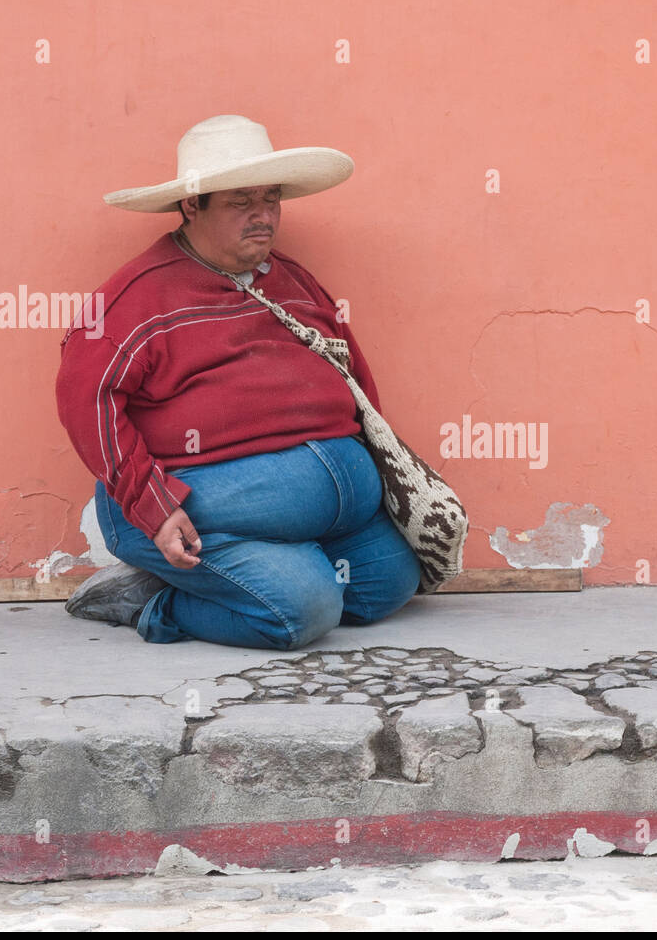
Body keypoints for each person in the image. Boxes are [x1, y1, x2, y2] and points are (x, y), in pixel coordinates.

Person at [54, 114, 421, 649]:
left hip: (318, 509)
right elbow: (85, 401)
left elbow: (352, 379)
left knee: (390, 580)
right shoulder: (137, 299)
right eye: (239, 201)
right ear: (190, 205)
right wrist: (151, 504)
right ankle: (154, 603)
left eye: (270, 199)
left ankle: (262, 568)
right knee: (307, 610)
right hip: (190, 494)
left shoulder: (294, 280)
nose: (262, 215)